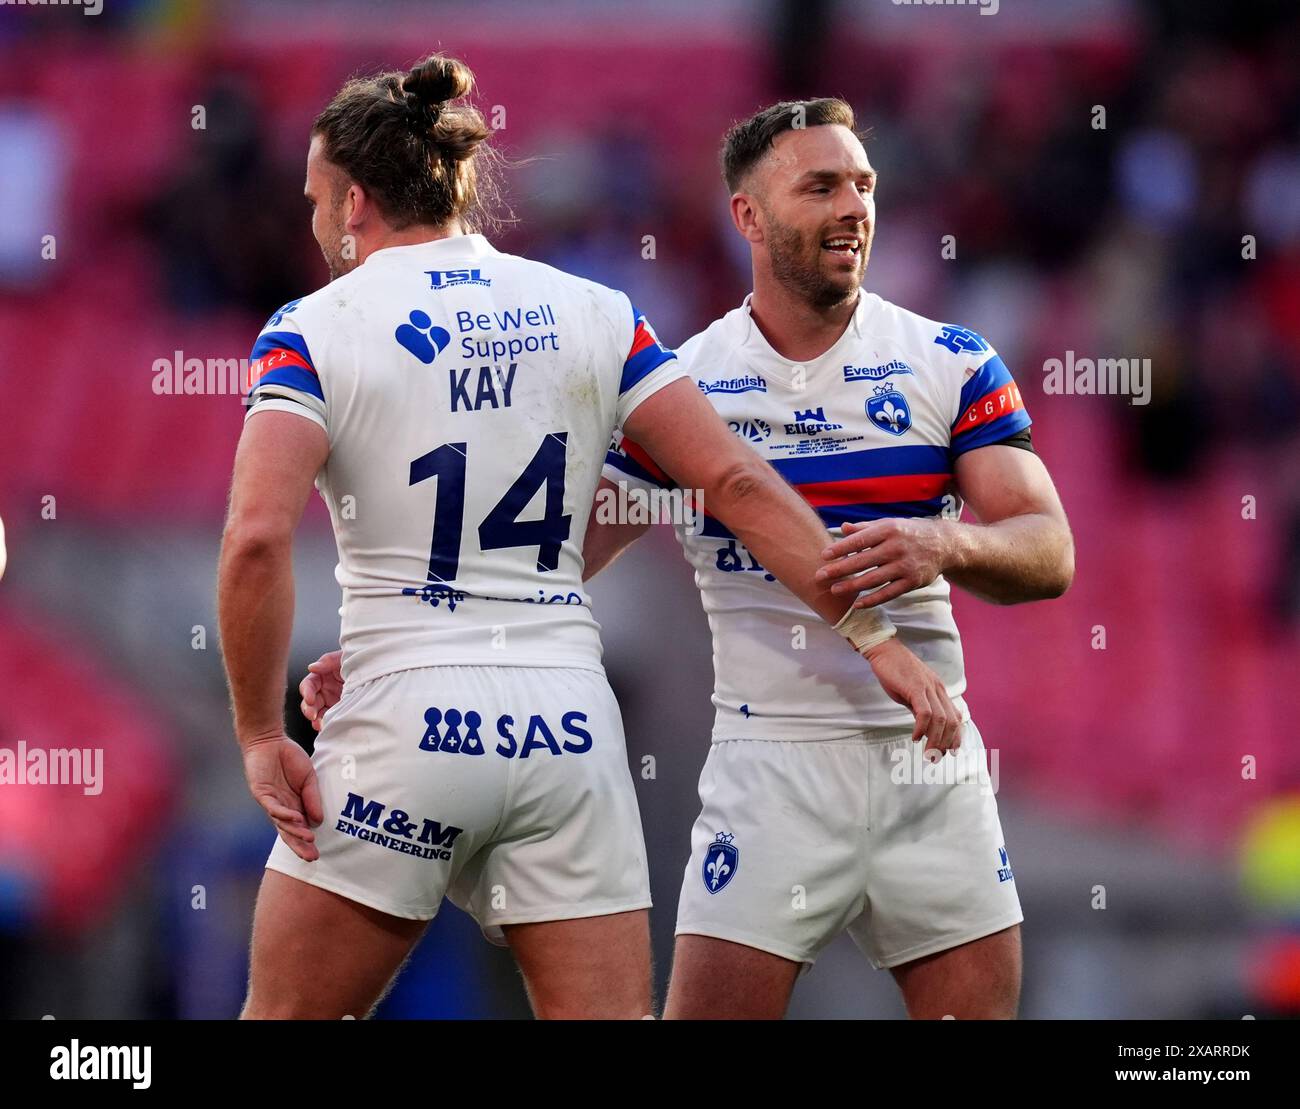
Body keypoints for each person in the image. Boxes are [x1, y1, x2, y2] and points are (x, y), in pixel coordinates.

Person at [306, 97, 1075, 1020]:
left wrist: (942, 539)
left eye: (863, 186)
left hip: (930, 762)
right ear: (747, 216)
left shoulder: (952, 361)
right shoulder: (689, 386)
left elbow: (1048, 547)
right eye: (821, 186)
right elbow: (556, 555)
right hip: (771, 768)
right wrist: (408, 651)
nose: (852, 208)